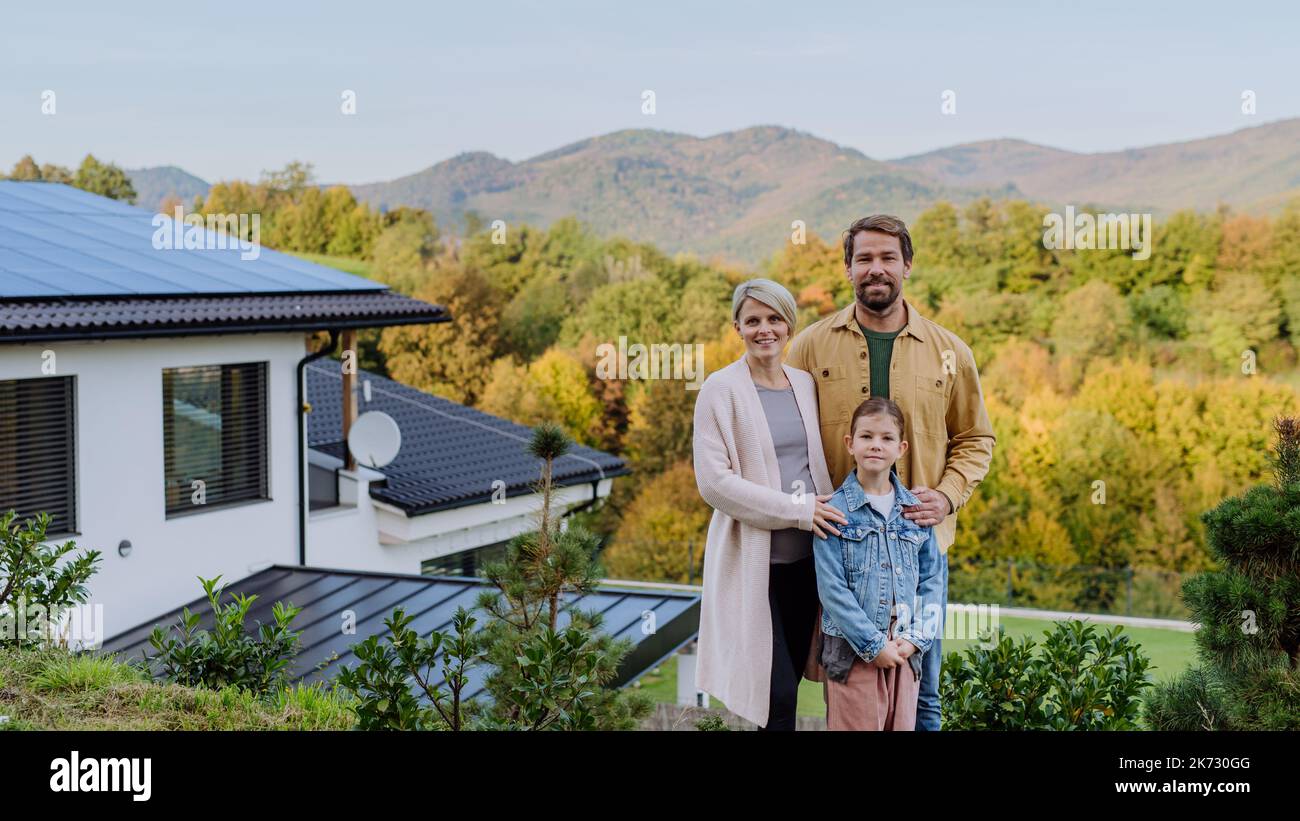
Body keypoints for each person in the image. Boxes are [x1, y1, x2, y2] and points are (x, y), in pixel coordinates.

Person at [786, 214, 996, 730]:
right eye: (864, 259)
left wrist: (946, 497)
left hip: (918, 551)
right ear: (848, 268)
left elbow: (976, 439)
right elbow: (787, 439)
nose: (875, 269)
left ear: (907, 264)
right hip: (833, 548)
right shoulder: (810, 346)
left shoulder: (951, 353)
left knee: (923, 696)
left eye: (886, 258)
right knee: (839, 686)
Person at [693, 278, 848, 730]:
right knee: (773, 693)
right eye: (753, 320)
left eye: (775, 318)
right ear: (737, 327)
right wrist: (799, 511)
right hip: (755, 566)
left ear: (789, 325)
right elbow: (715, 484)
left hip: (809, 564)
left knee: (792, 687)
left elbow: (818, 462)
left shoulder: (804, 384)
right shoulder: (719, 391)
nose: (765, 329)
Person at [813, 397, 942, 730]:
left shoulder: (916, 512)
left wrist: (915, 638)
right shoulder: (834, 511)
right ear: (850, 444)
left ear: (901, 448)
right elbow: (832, 589)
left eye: (886, 438)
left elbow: (932, 582)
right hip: (854, 647)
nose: (875, 445)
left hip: (904, 648)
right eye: (866, 436)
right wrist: (873, 645)